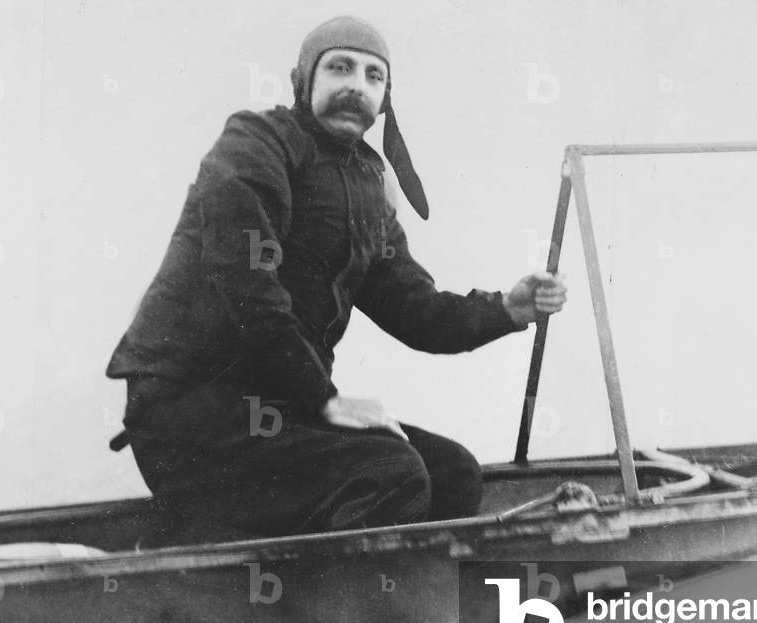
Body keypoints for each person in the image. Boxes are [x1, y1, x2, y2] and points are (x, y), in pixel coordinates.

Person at [105, 15, 567, 537]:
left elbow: (417, 309)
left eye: (374, 76)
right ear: (303, 79)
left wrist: (508, 308)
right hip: (193, 416)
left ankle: (408, 615)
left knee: (451, 471)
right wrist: (325, 399)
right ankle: (285, 610)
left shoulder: (367, 184)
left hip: (284, 409)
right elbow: (249, 287)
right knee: (391, 475)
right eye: (340, 67)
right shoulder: (256, 143)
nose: (357, 86)